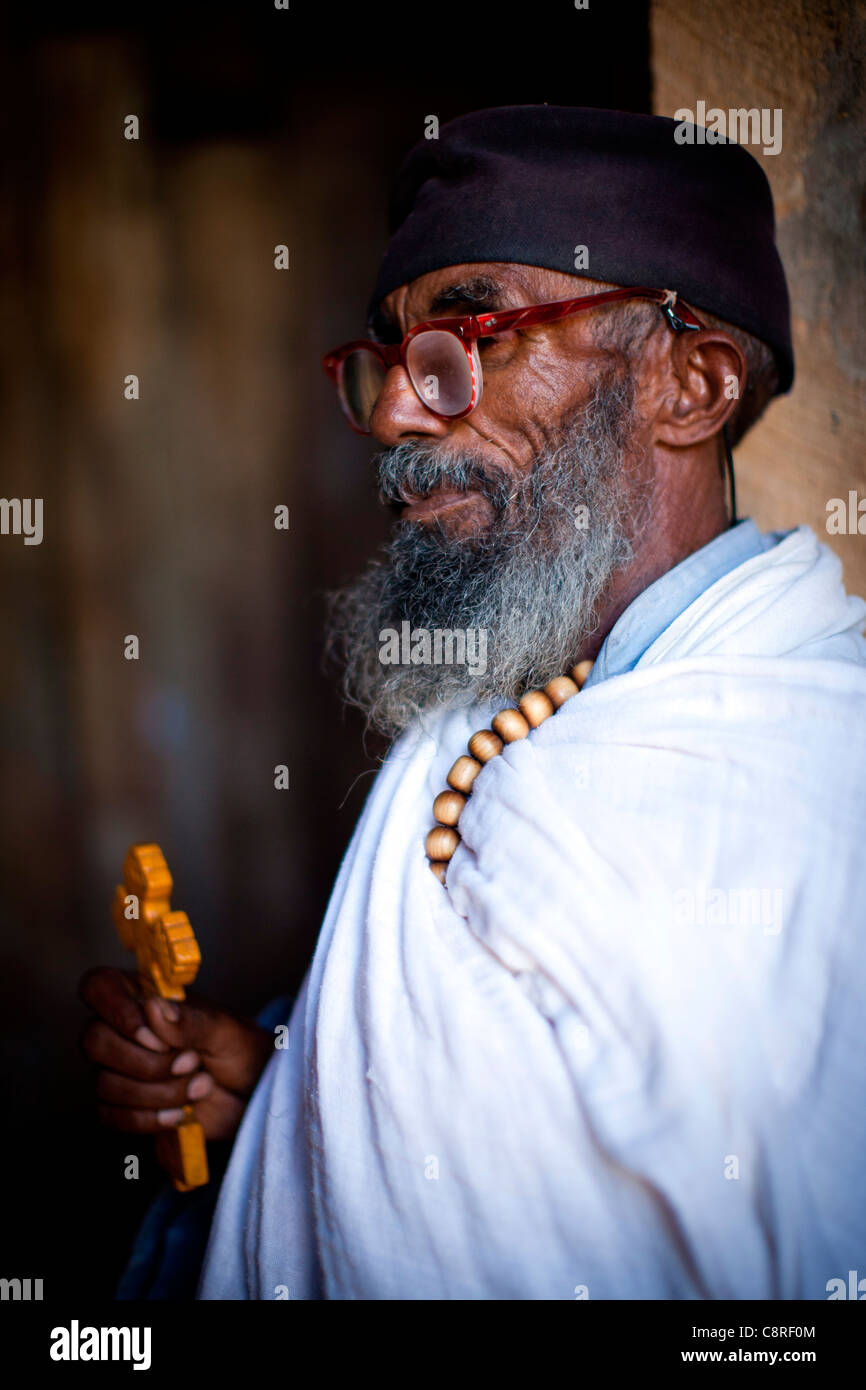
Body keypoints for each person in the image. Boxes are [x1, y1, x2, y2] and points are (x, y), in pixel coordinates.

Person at [80, 106, 866, 1300]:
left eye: (467, 341)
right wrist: (287, 1091)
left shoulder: (799, 773)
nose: (397, 416)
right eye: (387, 362)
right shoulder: (528, 705)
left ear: (692, 383)